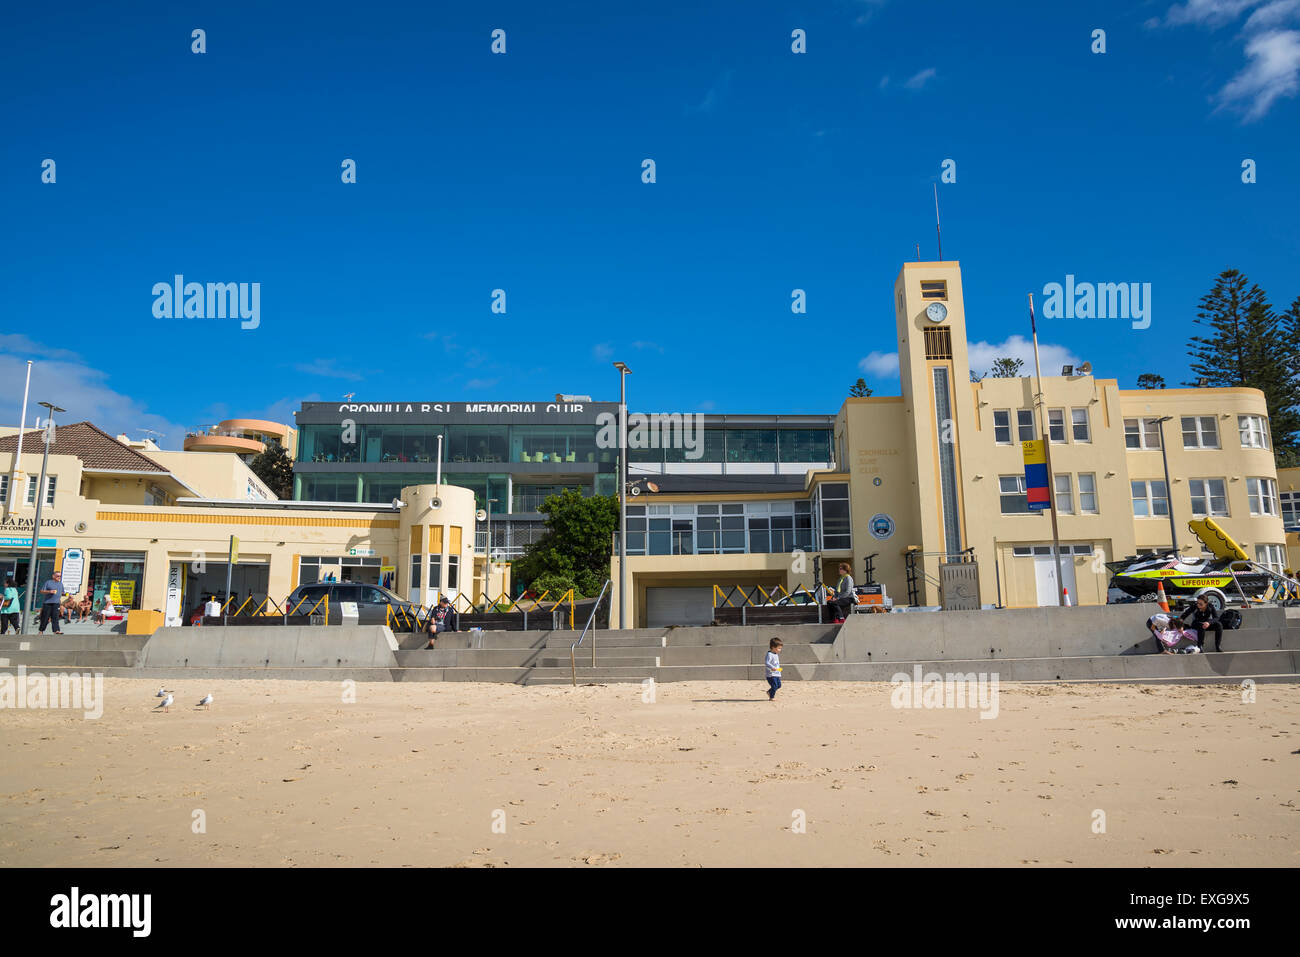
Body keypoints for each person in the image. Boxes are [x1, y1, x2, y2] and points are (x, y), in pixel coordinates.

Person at [38, 570, 65, 634]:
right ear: (53, 576)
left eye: (60, 576)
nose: (59, 577)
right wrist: (49, 591)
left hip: (56, 603)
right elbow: (41, 591)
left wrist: (64, 594)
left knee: (55, 617)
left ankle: (56, 630)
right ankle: (41, 631)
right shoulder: (48, 582)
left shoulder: (61, 584)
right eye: (58, 576)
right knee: (45, 618)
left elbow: (62, 592)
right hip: (48, 603)